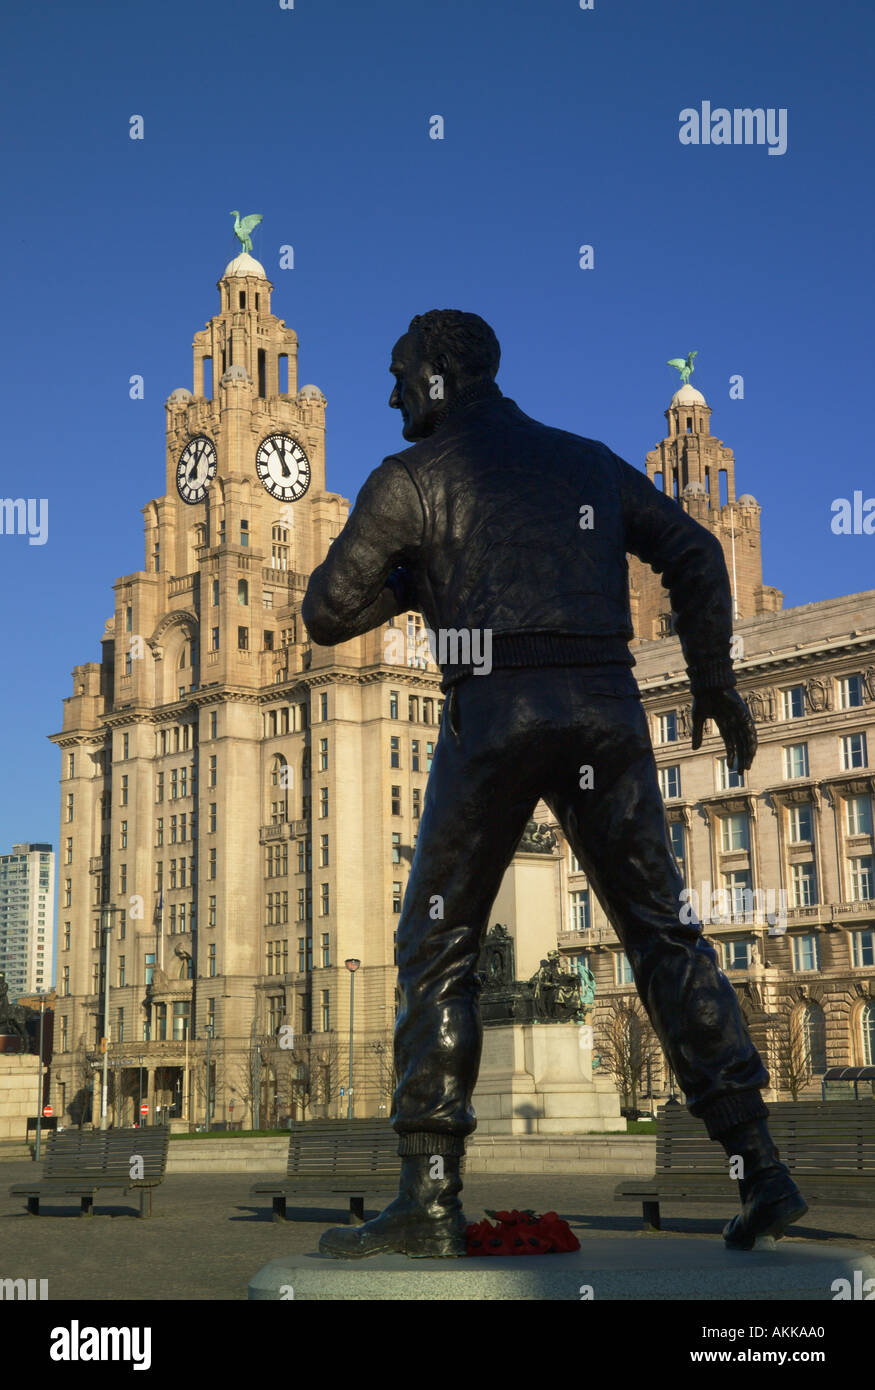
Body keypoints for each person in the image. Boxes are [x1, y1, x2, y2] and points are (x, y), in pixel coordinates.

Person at [303, 309, 806, 1258]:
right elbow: (695, 554)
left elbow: (326, 611)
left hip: (495, 712)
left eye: (401, 373)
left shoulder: (409, 480)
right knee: (663, 934)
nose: (391, 392)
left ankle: (429, 1196)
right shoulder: (583, 459)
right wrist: (713, 682)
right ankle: (762, 1169)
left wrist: (416, 579)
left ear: (441, 375)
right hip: (603, 706)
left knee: (438, 942)